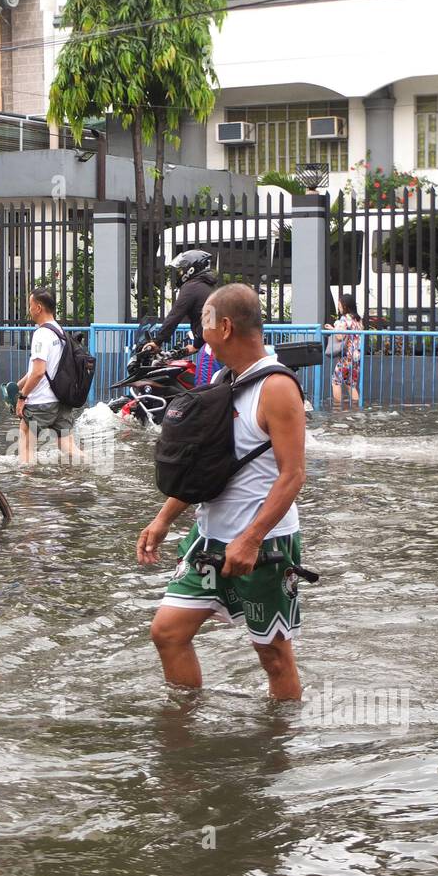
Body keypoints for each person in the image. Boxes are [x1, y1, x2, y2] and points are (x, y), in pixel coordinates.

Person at [137, 283, 308, 700]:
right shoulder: (220, 379)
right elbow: (208, 466)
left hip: (264, 546)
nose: (199, 329)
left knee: (273, 656)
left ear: (226, 327)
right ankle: (185, 732)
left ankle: (276, 751)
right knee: (168, 632)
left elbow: (293, 475)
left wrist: (250, 538)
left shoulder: (277, 388)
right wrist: (163, 519)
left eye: (204, 322)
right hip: (209, 539)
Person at [14, 287, 84, 466]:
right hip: (61, 400)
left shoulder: (41, 334)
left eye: (30, 305)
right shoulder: (60, 332)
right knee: (69, 447)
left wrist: (22, 397)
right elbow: (40, 370)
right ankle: (92, 465)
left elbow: (38, 372)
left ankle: (26, 489)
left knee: (26, 451)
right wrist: (18, 384)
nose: (29, 310)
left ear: (38, 307)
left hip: (40, 403)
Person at [144, 250, 219, 387]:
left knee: (203, 390)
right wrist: (193, 346)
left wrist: (157, 341)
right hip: (216, 344)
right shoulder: (208, 287)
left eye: (181, 270)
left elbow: (175, 315)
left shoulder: (192, 287)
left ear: (190, 269)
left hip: (212, 347)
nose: (179, 273)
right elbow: (209, 322)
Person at [325, 292, 363, 411]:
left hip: (346, 356)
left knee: (336, 381)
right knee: (350, 384)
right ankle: (357, 409)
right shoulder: (358, 320)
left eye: (340, 305)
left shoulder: (343, 319)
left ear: (345, 306)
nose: (339, 307)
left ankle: (337, 409)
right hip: (357, 356)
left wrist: (334, 328)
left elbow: (340, 336)